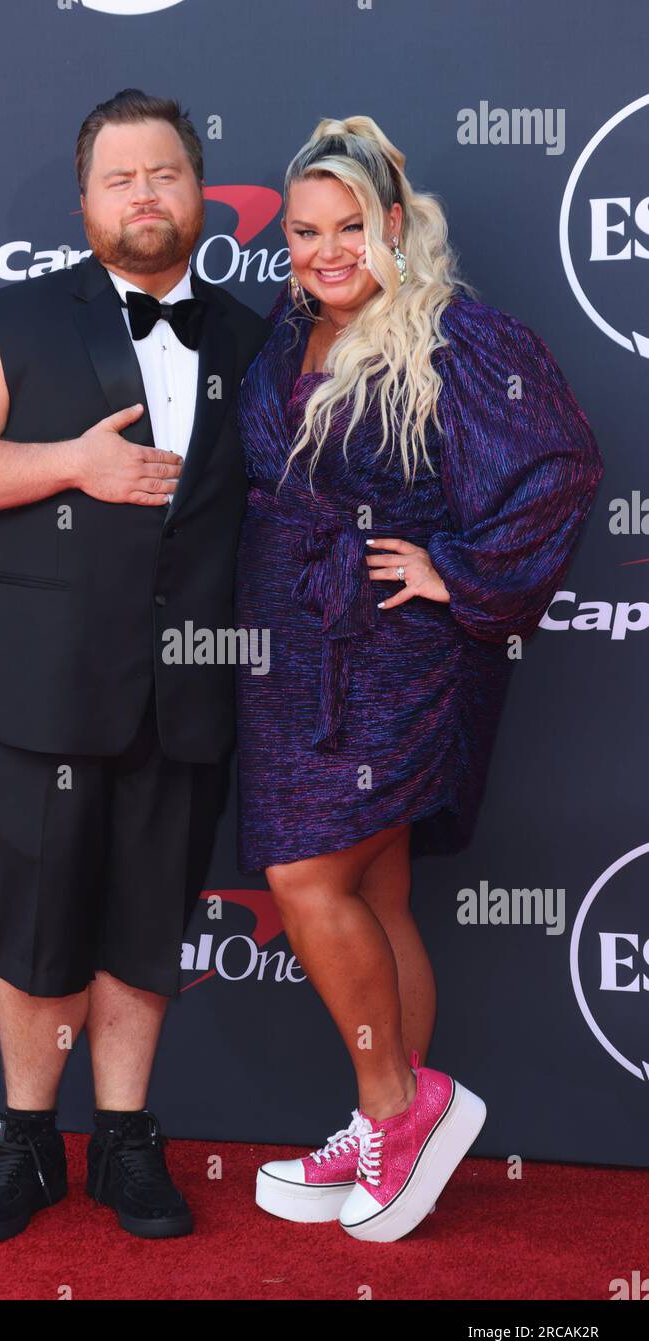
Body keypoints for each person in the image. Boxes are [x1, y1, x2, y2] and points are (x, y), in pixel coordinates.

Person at [0, 88, 269, 1243]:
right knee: (36, 928)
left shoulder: (257, 342)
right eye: (121, 178)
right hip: (36, 694)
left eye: (163, 173)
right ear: (85, 203)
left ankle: (122, 1137)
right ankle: (24, 1137)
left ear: (199, 194)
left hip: (186, 692)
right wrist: (71, 464)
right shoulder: (8, 320)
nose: (145, 195)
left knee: (145, 924)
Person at [234, 116, 604, 1242]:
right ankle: (379, 1114)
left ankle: (403, 1104)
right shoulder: (287, 330)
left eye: (349, 225)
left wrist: (455, 569)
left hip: (393, 652)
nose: (324, 249)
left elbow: (560, 465)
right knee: (372, 892)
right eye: (302, 231)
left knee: (303, 875)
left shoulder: (455, 336)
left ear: (394, 225)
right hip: (295, 653)